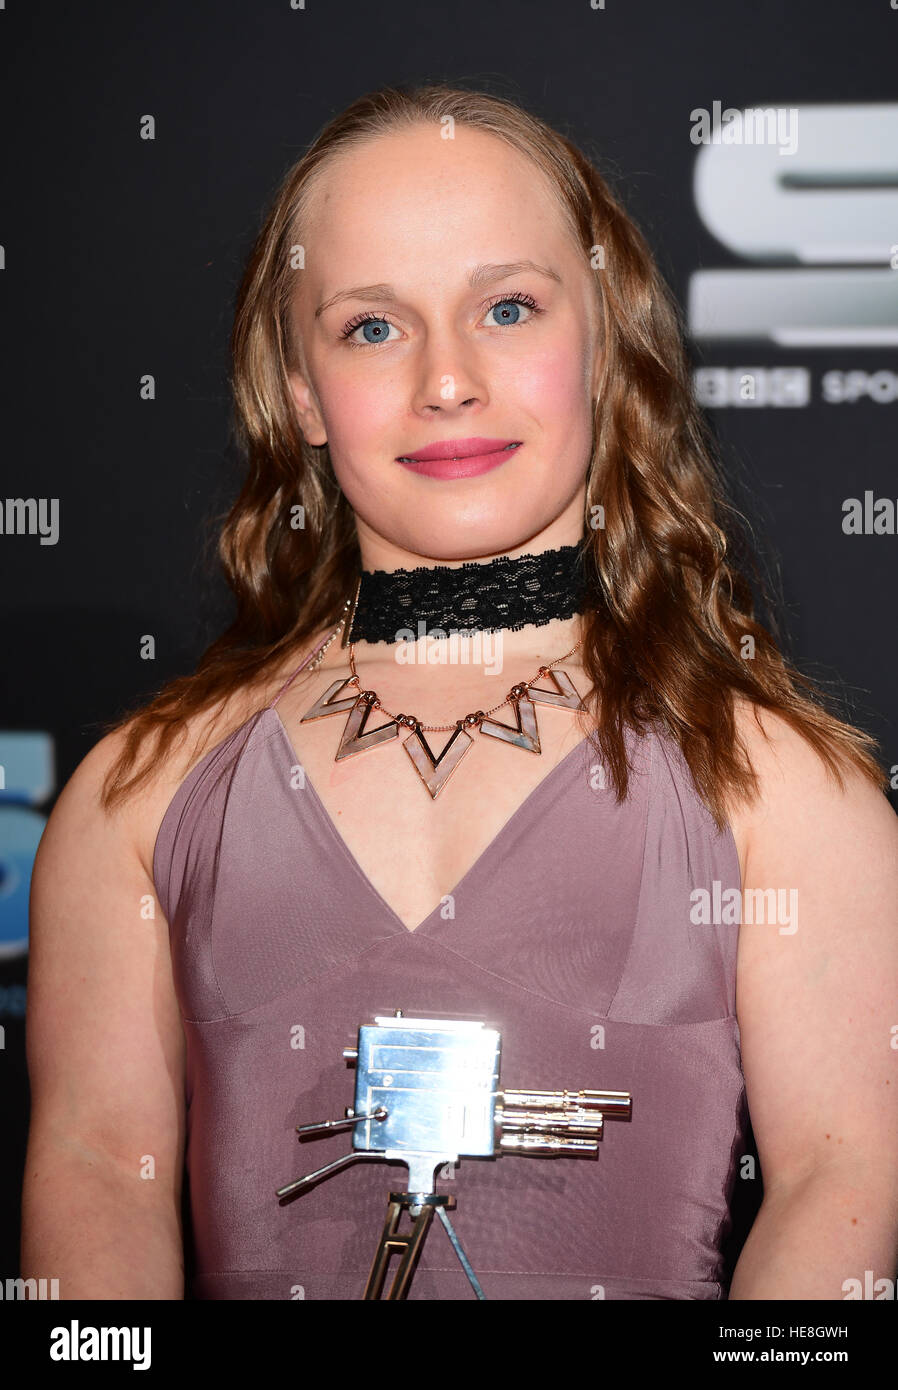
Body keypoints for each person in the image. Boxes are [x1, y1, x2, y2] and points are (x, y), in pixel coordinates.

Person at [21, 84, 898, 1301]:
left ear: (608, 340)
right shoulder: (138, 796)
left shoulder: (786, 788)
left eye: (507, 308)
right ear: (294, 389)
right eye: (372, 328)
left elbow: (840, 1185)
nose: (447, 381)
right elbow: (98, 1171)